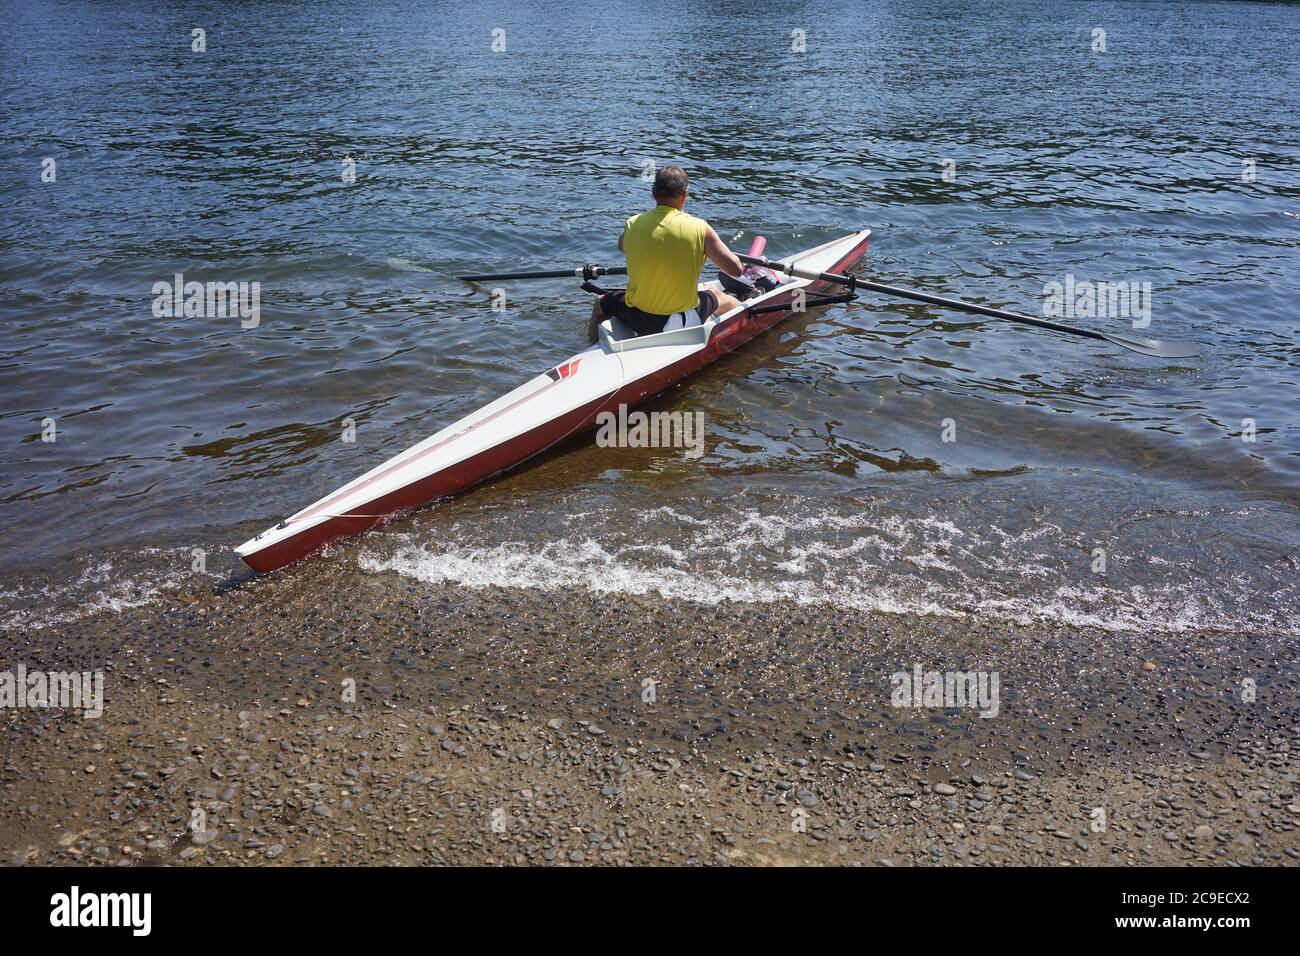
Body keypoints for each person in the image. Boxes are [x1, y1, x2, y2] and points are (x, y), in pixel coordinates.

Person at [588, 166, 746, 344]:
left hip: (639, 318)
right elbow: (736, 270)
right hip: (676, 323)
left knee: (600, 303)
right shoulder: (700, 228)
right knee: (717, 295)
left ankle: (591, 346)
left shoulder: (632, 223)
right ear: (684, 194)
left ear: (653, 192)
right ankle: (751, 316)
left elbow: (622, 246)